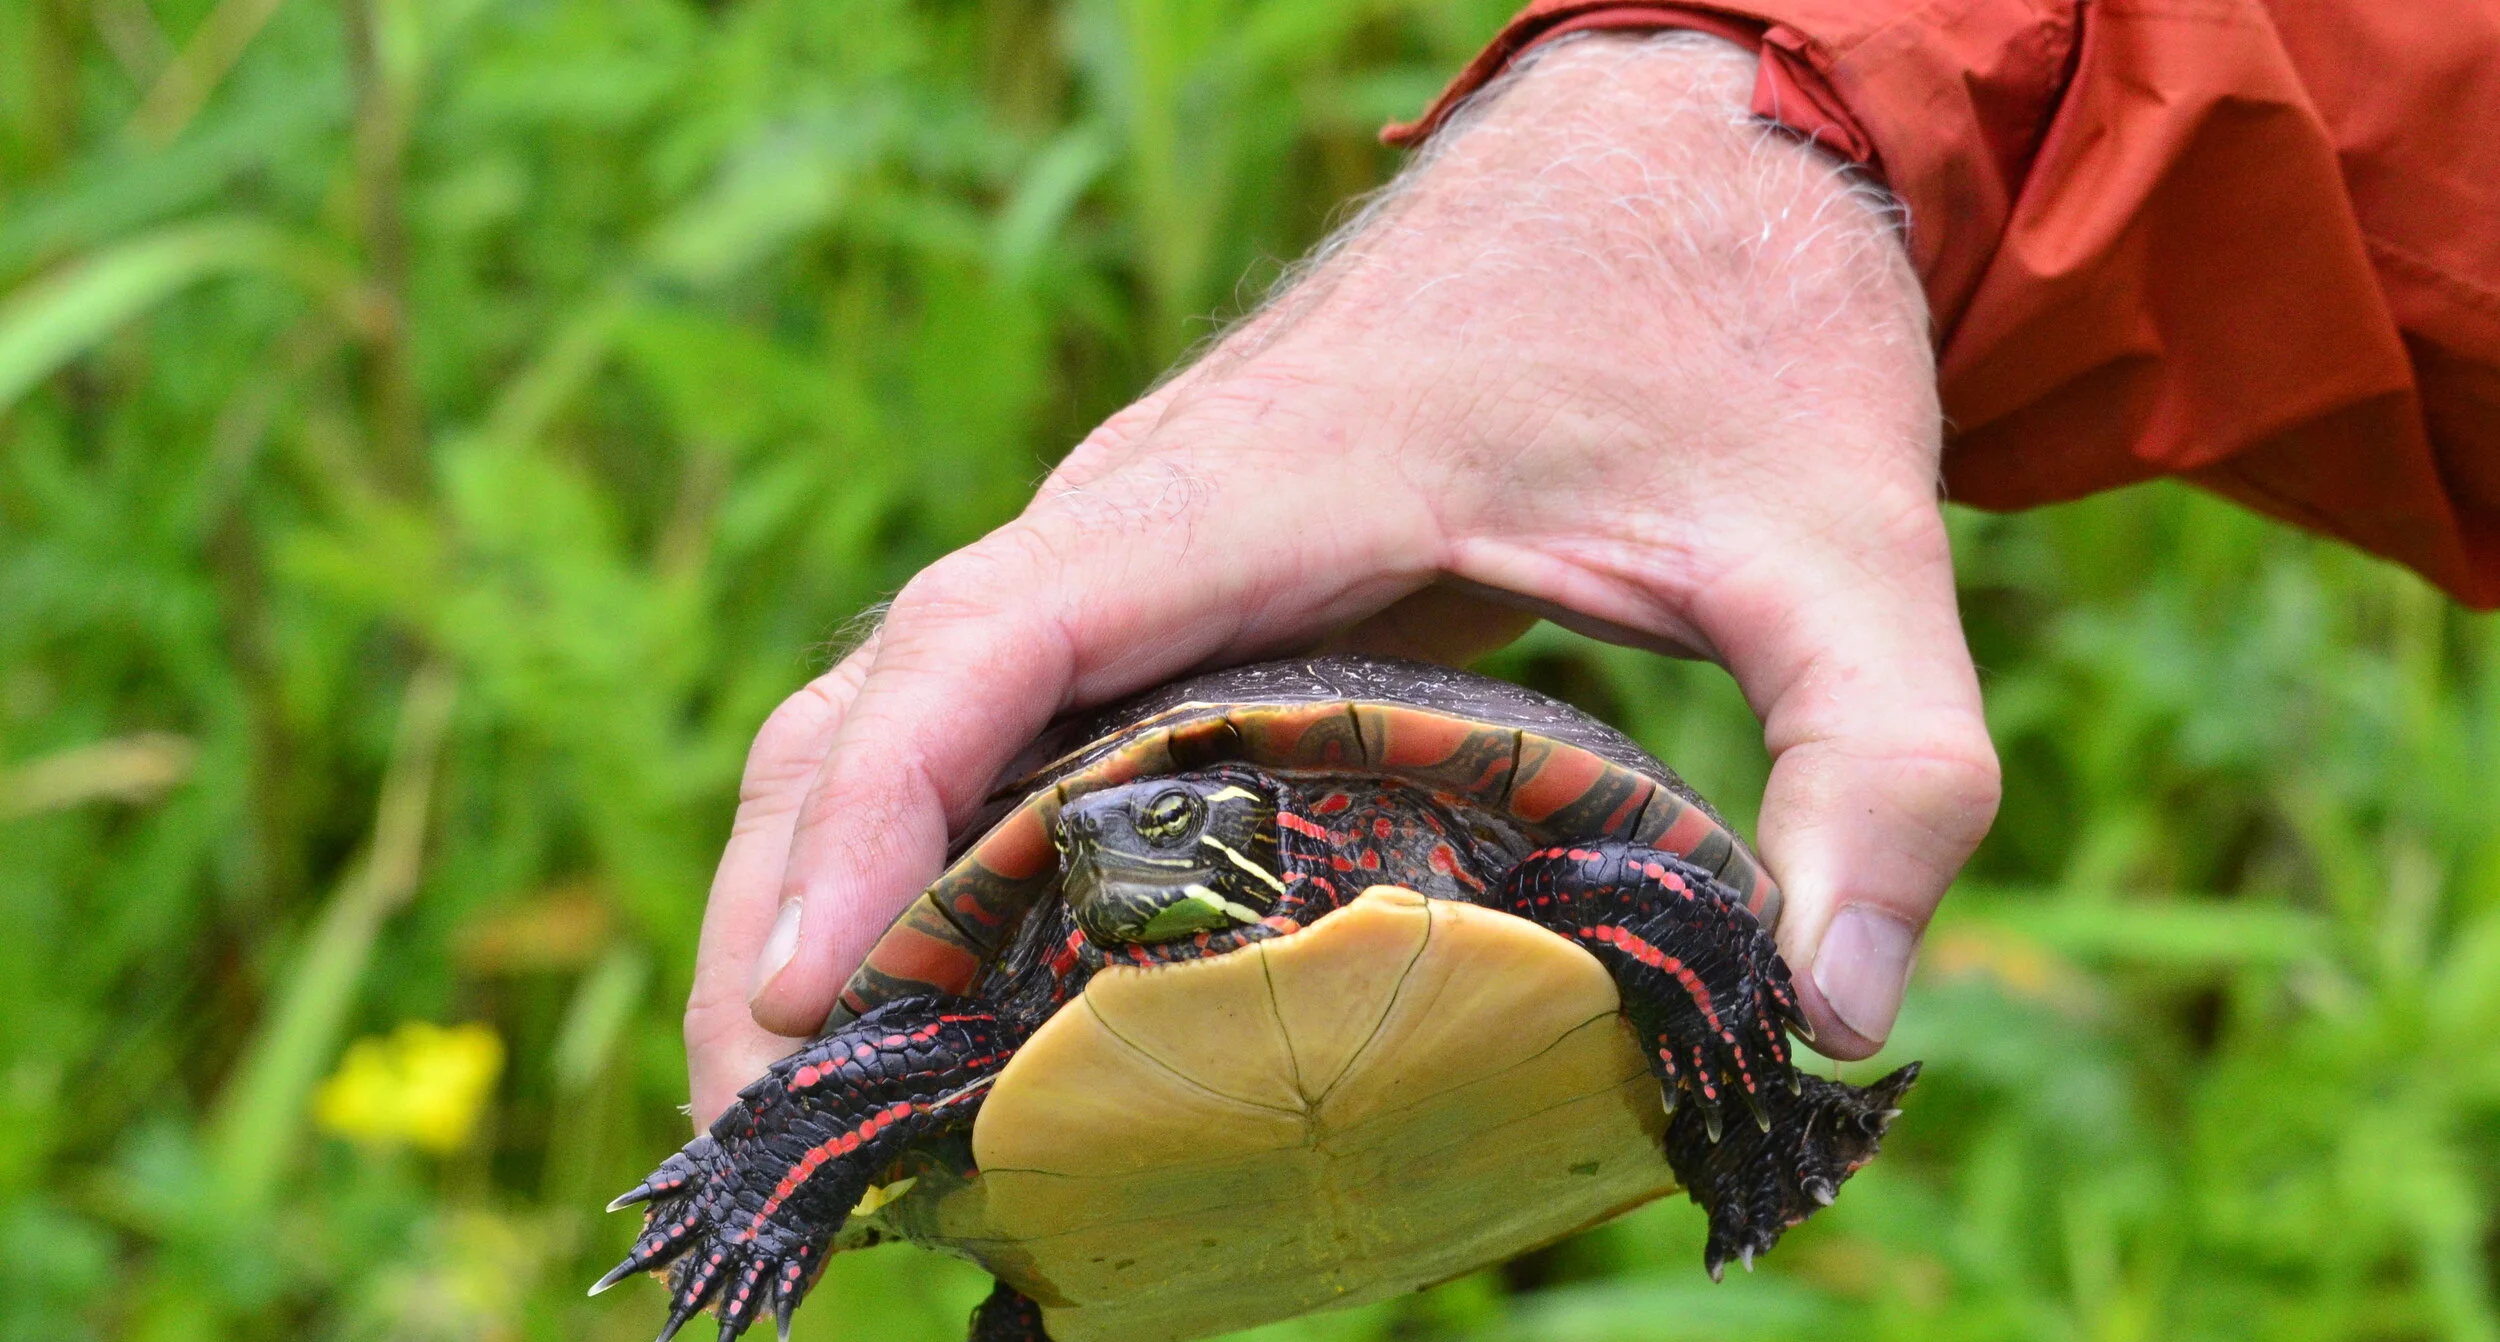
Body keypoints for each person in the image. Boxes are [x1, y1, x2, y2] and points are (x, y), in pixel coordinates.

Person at [684, 3, 2500, 1128]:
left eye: (1151, 829)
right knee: (852, 1113)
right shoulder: (1091, 890)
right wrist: (1793, 98)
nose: (1108, 851)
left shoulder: (1426, 833)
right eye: (1114, 846)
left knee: (1687, 943)